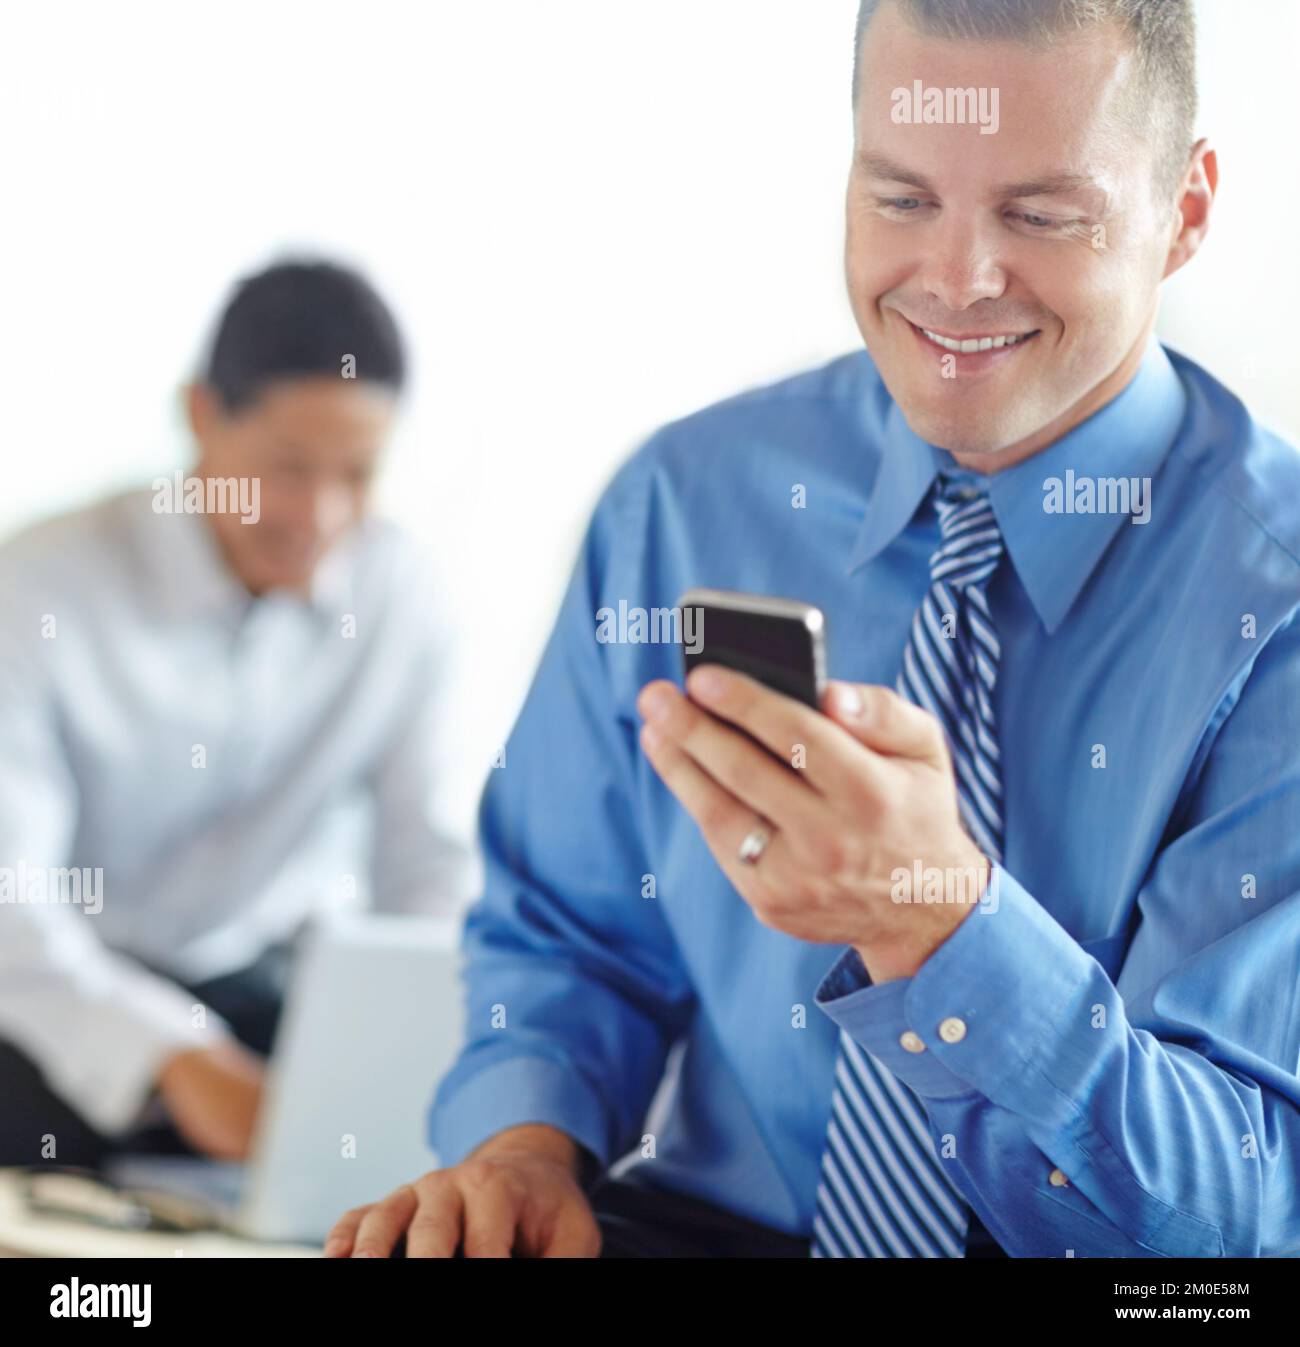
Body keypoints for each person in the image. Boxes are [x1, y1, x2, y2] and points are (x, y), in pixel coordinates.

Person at [328, 0, 1300, 1259]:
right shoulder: (683, 503)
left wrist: (939, 925)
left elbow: (1240, 1210)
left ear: (1188, 208)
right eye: (900, 200)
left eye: (1040, 214)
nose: (954, 281)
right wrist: (527, 1149)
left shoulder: (1270, 607)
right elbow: (568, 938)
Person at [0, 259, 477, 1170]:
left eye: (359, 474)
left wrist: (406, 1046)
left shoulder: (401, 592)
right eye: (288, 468)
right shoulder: (36, 588)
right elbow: (9, 902)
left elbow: (430, 864)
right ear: (199, 416)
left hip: (256, 986)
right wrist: (171, 1052)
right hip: (49, 989)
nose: (321, 513)